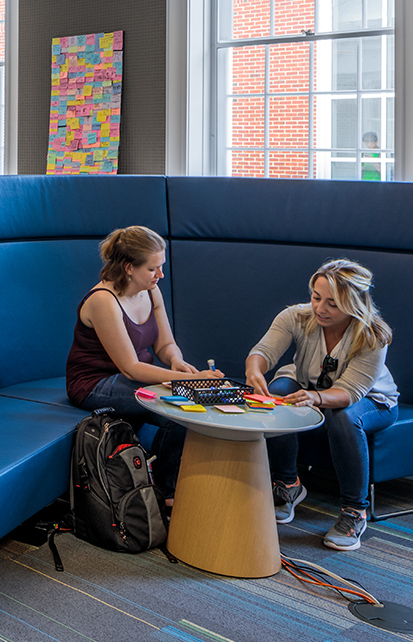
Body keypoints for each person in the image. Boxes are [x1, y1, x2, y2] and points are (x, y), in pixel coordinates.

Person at [244, 259, 398, 551]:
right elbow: (263, 352)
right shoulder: (296, 317)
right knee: (276, 395)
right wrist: (254, 370)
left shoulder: (373, 335)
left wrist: (315, 397)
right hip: (310, 384)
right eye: (316, 297)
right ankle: (288, 485)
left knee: (342, 417)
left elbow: (350, 392)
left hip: (371, 400)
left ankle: (355, 511)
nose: (320, 308)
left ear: (353, 304)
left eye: (332, 303)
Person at [66, 225, 223, 499]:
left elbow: (164, 345)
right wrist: (192, 380)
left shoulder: (151, 291)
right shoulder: (104, 300)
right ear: (128, 267)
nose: (160, 274)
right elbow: (130, 368)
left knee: (189, 409)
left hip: (132, 377)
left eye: (161, 266)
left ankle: (169, 485)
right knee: (178, 411)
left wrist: (176, 361)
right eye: (153, 268)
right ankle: (163, 494)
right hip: (94, 383)